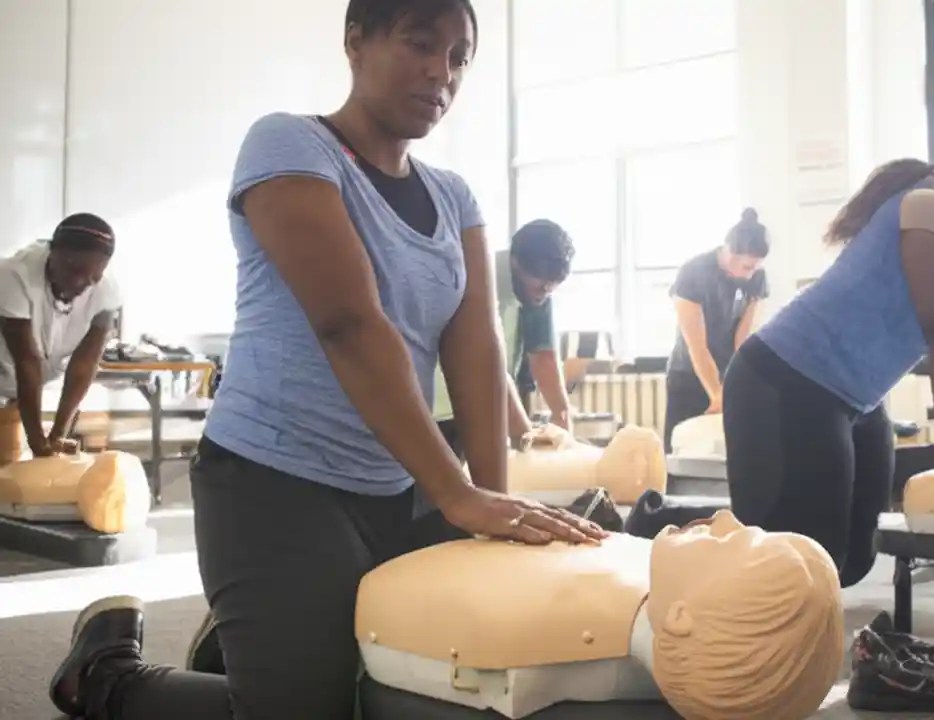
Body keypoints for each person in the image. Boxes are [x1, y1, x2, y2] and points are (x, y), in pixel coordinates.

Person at [48, 2, 605, 719]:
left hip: (393, 488)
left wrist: (489, 502)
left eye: (460, 57)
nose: (443, 72)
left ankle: (247, 640)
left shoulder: (454, 196)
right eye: (420, 44)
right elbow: (347, 322)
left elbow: (474, 346)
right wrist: (458, 493)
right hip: (271, 483)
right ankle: (104, 674)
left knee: (429, 675)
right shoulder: (289, 145)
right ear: (355, 42)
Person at [721, 152, 934, 588]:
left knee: (854, 558)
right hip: (784, 379)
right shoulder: (927, 204)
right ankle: (673, 538)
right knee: (798, 559)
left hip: (852, 398)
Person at [432, 218, 576, 459]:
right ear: (514, 262)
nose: (544, 292)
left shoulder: (539, 293)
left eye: (551, 287)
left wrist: (562, 417)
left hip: (480, 407)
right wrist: (524, 434)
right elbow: (487, 363)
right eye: (539, 284)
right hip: (436, 406)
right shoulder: (476, 275)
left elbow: (543, 357)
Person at [0, 213, 121, 463]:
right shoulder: (14, 275)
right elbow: (27, 361)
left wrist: (57, 434)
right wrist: (37, 442)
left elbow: (84, 364)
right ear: (52, 252)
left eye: (92, 277)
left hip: (24, 387)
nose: (81, 283)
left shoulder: (106, 292)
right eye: (73, 269)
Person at [664, 208, 769, 451]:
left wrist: (742, 383)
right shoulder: (694, 273)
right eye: (746, 266)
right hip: (689, 375)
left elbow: (743, 341)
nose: (751, 273)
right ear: (729, 252)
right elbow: (696, 346)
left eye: (756, 267)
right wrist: (716, 394)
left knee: (729, 452)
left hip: (728, 373)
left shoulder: (757, 278)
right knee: (684, 450)